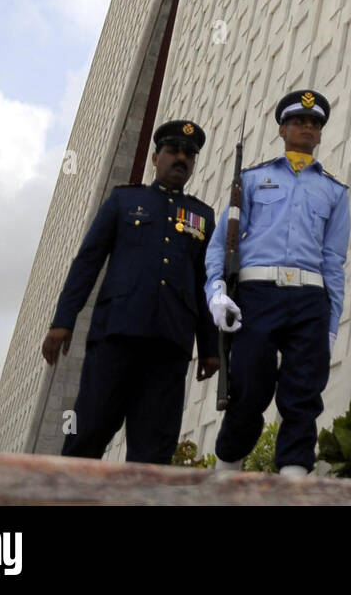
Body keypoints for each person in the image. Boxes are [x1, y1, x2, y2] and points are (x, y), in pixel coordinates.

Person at [44, 120, 219, 464]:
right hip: (117, 336)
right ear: (156, 158)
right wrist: (63, 320)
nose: (180, 158)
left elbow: (205, 284)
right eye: (172, 151)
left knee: (153, 449)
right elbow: (87, 262)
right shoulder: (124, 200)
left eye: (188, 154)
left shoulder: (202, 216)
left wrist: (210, 347)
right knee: (89, 431)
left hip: (170, 344)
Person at [205, 89, 350, 477]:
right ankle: (226, 469)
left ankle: (294, 480)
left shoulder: (335, 191)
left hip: (310, 299)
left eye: (314, 124)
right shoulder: (252, 180)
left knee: (303, 395)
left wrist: (332, 324)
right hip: (258, 293)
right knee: (249, 388)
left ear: (320, 134)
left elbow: (334, 262)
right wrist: (216, 291)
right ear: (282, 130)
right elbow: (221, 244)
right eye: (299, 122)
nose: (307, 128)